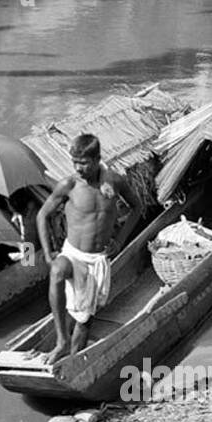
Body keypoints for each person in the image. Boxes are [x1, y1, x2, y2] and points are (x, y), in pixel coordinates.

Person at [35, 134, 143, 366]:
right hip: (73, 253)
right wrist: (47, 253)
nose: (78, 167)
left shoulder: (114, 182)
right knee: (57, 271)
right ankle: (61, 341)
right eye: (74, 162)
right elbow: (42, 215)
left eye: (83, 162)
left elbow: (137, 207)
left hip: (97, 259)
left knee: (84, 320)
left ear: (96, 160)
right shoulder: (69, 185)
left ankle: (74, 362)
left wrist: (121, 240)